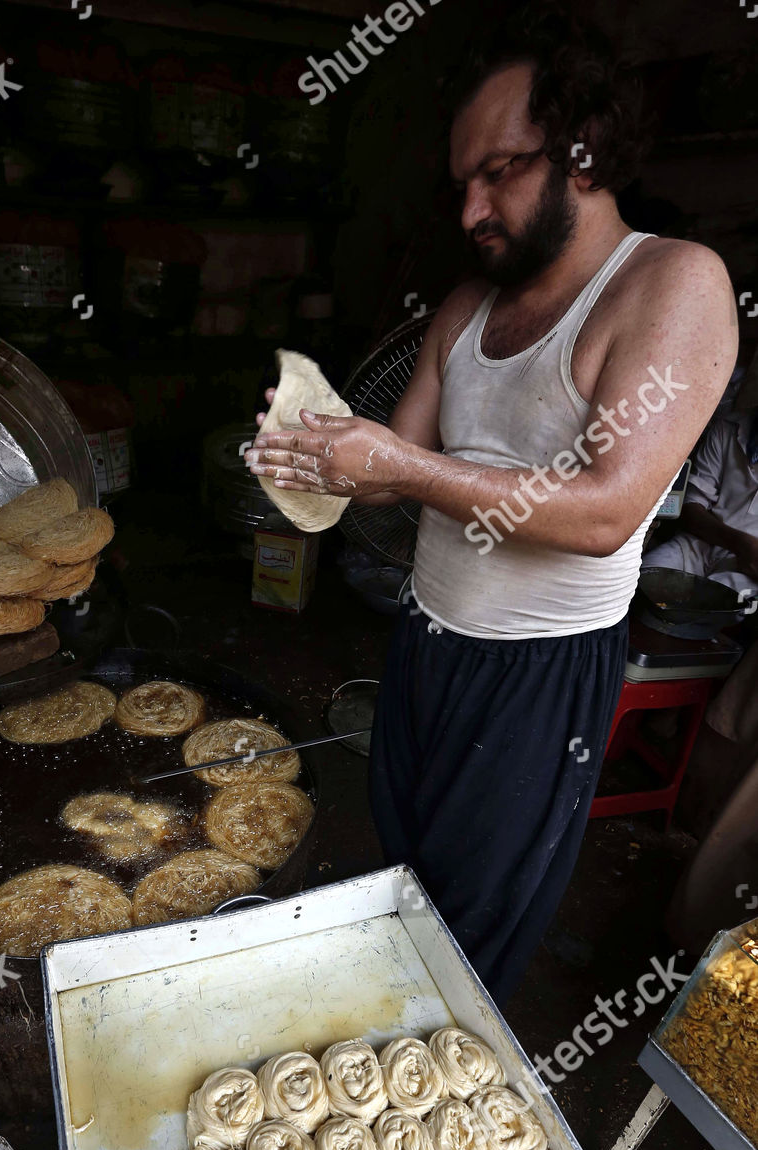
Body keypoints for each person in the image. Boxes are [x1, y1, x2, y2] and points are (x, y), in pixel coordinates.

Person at [243, 4, 738, 1004]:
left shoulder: (669, 285)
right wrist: (317, 451)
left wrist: (397, 465)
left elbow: (603, 511)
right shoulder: (466, 306)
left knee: (467, 934)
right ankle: (382, 1056)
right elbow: (395, 465)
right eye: (460, 180)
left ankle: (435, 1107)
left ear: (581, 147)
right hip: (426, 645)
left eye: (497, 171)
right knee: (404, 879)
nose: (469, 208)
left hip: (537, 677)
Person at [642, 349, 758, 605]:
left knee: (708, 607)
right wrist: (738, 542)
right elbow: (691, 508)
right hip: (699, 545)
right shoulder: (728, 429)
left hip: (749, 572)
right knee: (642, 581)